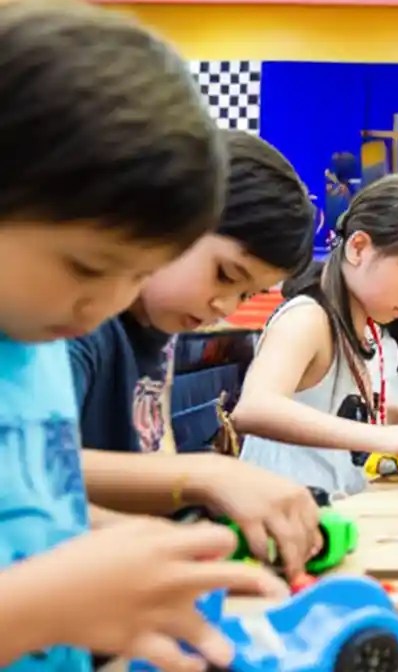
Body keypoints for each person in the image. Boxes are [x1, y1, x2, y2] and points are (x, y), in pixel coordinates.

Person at [0, 0, 283, 671]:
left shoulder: (35, 343)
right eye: (88, 267)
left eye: (138, 275)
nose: (104, 305)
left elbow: (32, 515)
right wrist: (42, 605)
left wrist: (146, 553)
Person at [70, 131, 324, 578]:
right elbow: (28, 473)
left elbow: (151, 461)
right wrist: (204, 476)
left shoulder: (161, 328)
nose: (225, 306)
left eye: (246, 293)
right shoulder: (74, 323)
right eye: (225, 274)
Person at [233, 175, 398, 497]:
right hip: (277, 510)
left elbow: (332, 411)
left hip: (331, 505)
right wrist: (379, 437)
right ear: (358, 247)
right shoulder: (307, 318)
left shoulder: (367, 327)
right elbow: (254, 408)